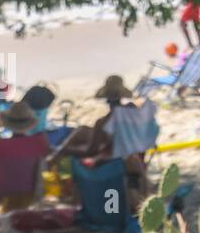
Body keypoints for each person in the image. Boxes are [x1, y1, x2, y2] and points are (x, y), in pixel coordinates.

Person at [49, 76, 159, 209]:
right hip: (136, 155)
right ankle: (56, 155)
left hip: (113, 163)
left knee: (72, 152)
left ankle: (72, 192)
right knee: (82, 130)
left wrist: (67, 150)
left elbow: (90, 151)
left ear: (106, 99)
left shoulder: (103, 122)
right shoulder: (132, 110)